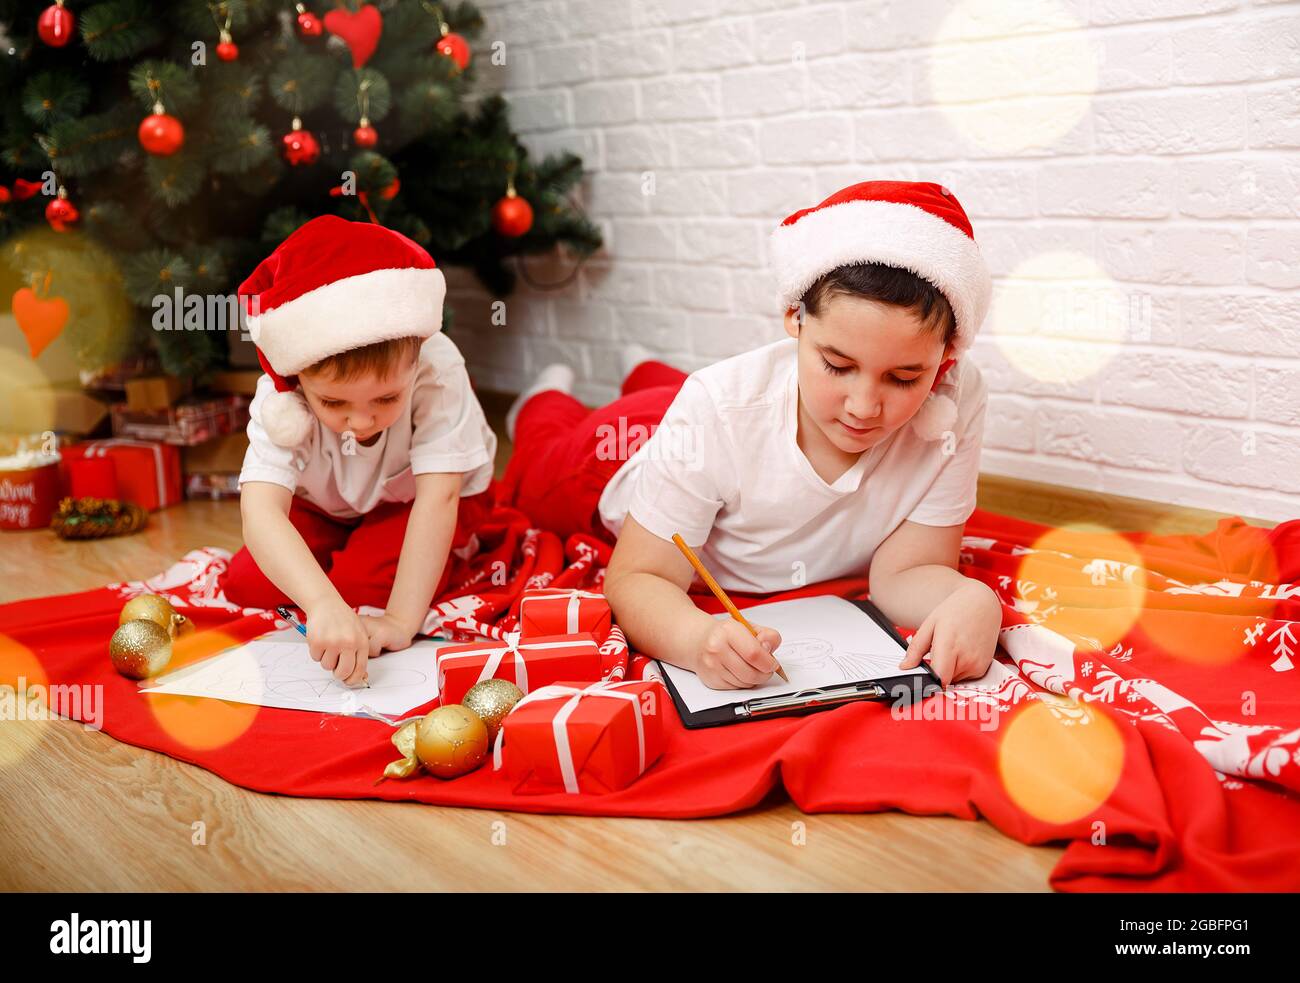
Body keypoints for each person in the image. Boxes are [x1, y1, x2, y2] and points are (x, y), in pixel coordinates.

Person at [498, 180, 1002, 690]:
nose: (864, 407)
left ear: (947, 359)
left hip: (706, 435)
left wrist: (972, 598)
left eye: (904, 378)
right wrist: (696, 640)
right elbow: (636, 578)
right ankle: (544, 391)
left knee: (671, 391)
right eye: (836, 364)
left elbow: (907, 571)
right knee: (546, 438)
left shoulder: (959, 398)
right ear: (793, 319)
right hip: (615, 458)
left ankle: (643, 366)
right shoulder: (716, 405)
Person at [222, 215, 497, 686]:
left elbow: (439, 498)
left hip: (415, 503)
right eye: (334, 402)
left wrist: (399, 622)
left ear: (416, 364)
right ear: (299, 380)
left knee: (364, 589)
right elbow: (262, 510)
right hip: (331, 506)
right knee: (247, 581)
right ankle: (350, 552)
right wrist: (323, 604)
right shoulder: (279, 398)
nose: (363, 421)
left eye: (387, 398)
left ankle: (545, 406)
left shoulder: (438, 369)